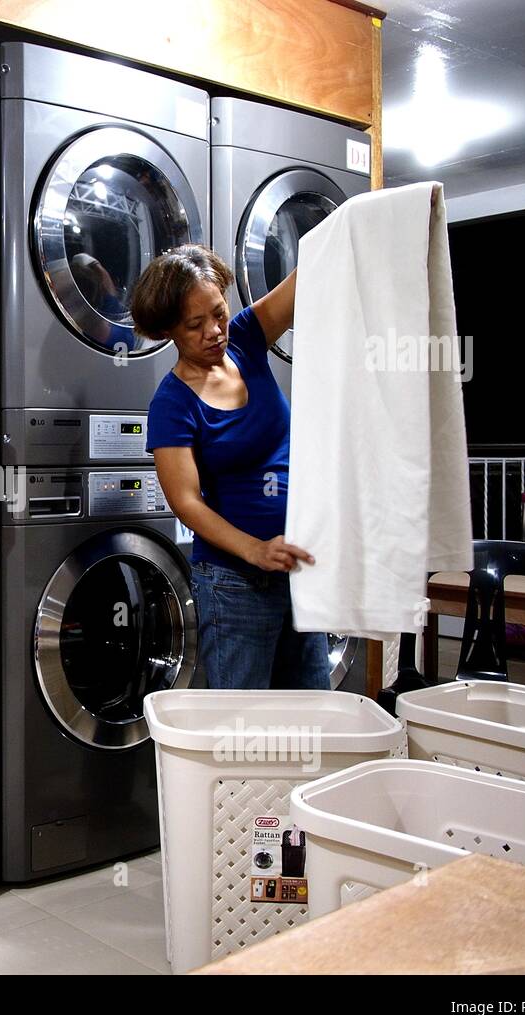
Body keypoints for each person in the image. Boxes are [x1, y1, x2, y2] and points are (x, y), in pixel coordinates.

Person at [132, 244, 328, 690]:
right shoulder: (172, 403)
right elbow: (185, 502)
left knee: (313, 715)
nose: (214, 332)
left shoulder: (245, 339)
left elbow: (311, 273)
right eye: (194, 325)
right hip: (235, 585)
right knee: (244, 725)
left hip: (297, 567)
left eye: (218, 313)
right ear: (170, 331)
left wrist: (361, 221)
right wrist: (255, 550)